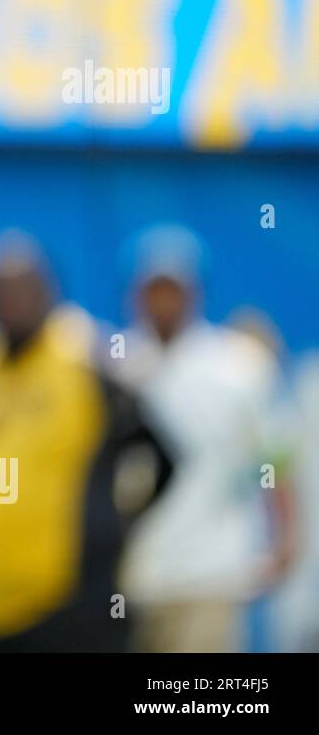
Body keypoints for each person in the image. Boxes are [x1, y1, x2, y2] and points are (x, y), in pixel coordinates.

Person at [0, 231, 171, 652]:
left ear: (49, 291)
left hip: (72, 610)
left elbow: (163, 455)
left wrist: (116, 527)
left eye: (22, 289)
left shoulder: (86, 357)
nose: (9, 301)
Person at [115, 225, 294, 652]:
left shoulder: (239, 365)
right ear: (135, 294)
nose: (162, 300)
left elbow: (276, 459)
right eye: (153, 289)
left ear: (195, 292)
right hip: (130, 582)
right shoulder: (116, 364)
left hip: (210, 577)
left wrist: (285, 542)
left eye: (172, 289)